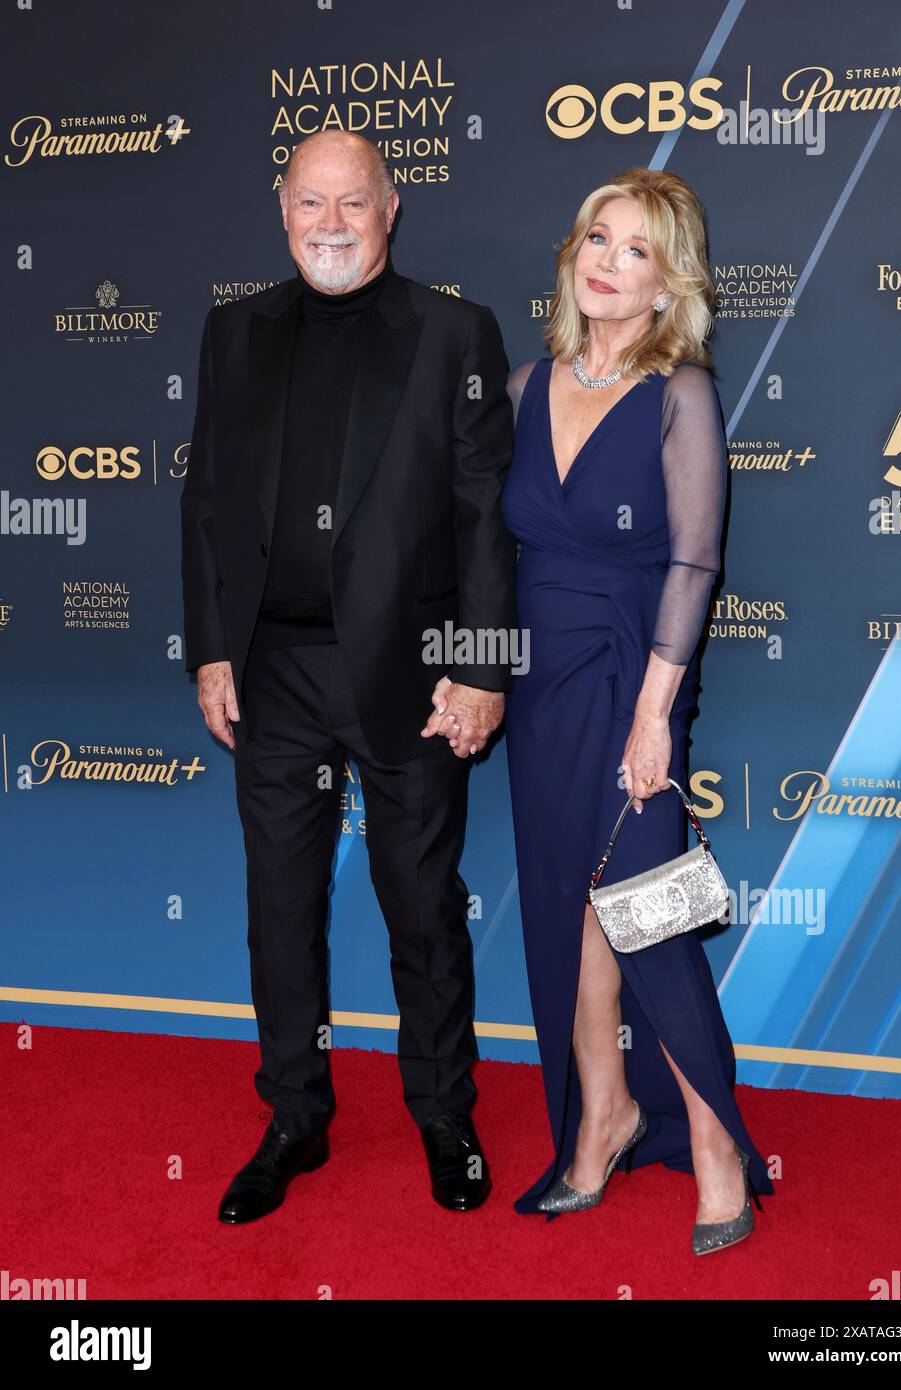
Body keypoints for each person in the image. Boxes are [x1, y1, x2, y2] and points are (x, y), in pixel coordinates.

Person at [180, 130, 516, 1224]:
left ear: (392, 206)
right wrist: (212, 648)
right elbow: (203, 503)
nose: (330, 222)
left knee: (420, 903)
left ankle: (442, 1113)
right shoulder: (234, 332)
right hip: (272, 671)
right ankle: (293, 1115)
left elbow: (485, 520)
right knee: (278, 907)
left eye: (353, 202)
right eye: (310, 202)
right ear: (281, 208)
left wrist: (478, 665)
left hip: (413, 674)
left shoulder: (453, 333)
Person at [502, 167, 774, 1254]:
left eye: (635, 251)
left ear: (667, 286)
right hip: (539, 680)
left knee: (649, 916)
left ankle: (713, 1144)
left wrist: (654, 715)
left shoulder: (680, 391)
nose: (605, 262)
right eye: (595, 239)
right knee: (568, 911)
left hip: (635, 670)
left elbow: (694, 561)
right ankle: (601, 1117)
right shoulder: (524, 386)